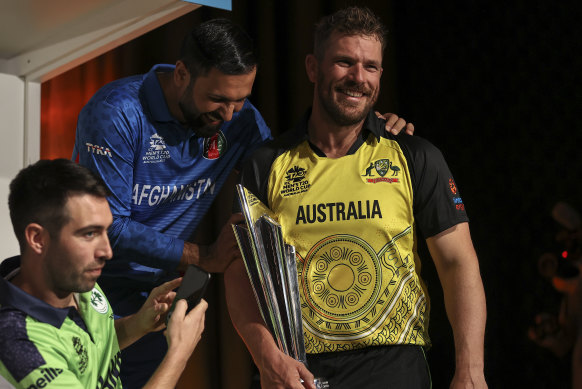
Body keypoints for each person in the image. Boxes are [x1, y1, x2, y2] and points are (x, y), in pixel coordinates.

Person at [73, 17, 412, 387]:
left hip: (157, 301)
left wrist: (365, 127)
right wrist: (203, 257)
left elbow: (290, 174)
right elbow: (106, 228)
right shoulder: (116, 113)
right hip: (88, 290)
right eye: (218, 99)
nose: (230, 114)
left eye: (241, 99)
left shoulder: (240, 120)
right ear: (182, 74)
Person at [225, 6, 487, 389]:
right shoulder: (266, 164)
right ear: (313, 68)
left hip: (395, 366)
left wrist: (470, 371)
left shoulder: (415, 156)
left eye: (371, 66)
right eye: (344, 62)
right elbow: (240, 273)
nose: (358, 78)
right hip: (298, 371)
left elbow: (458, 264)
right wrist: (267, 358)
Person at [0, 159, 207, 389]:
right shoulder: (19, 344)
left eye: (105, 231)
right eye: (89, 234)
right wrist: (178, 353)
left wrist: (137, 324)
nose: (106, 251)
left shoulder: (72, 276)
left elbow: (89, 350)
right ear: (38, 239)